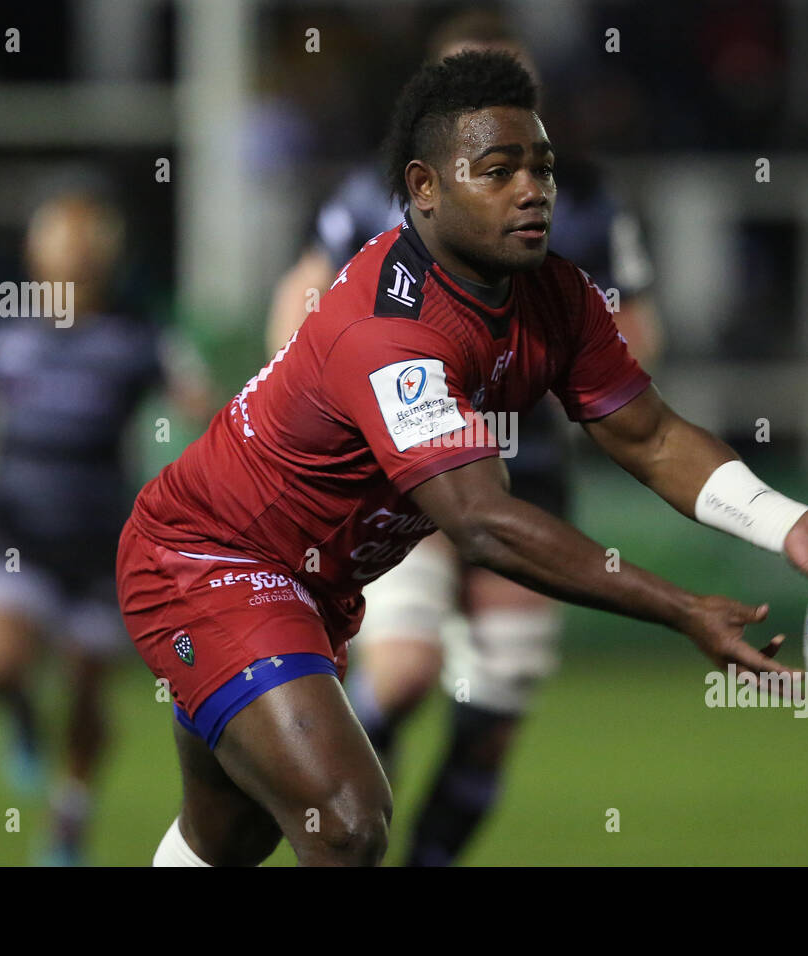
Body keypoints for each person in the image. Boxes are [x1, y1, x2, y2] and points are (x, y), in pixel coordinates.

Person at [118, 50, 808, 867]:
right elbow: (483, 525)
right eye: (498, 171)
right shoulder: (388, 330)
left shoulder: (557, 297)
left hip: (316, 582)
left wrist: (788, 524)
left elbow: (651, 436)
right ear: (424, 188)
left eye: (543, 168)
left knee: (225, 839)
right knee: (346, 822)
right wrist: (683, 609)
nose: (533, 190)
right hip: (208, 558)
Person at [265, 11, 662, 866]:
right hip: (406, 474)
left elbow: (638, 329)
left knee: (494, 711)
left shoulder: (583, 201)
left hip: (531, 473)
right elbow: (300, 297)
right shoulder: (376, 198)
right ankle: (309, 805)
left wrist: (584, 374)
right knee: (404, 673)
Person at [0, 191, 213, 865]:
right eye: (63, 254)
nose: (73, 269)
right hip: (13, 524)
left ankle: (68, 825)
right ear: (37, 257)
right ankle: (19, 712)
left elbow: (203, 408)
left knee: (86, 689)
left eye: (87, 257)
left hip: (101, 533)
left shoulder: (139, 333)